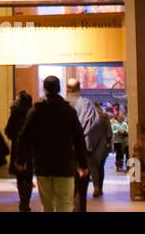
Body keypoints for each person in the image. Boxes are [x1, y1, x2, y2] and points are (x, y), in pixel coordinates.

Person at [15, 75, 88, 212]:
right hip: (65, 165)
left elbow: (23, 137)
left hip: (43, 165)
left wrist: (21, 160)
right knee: (65, 203)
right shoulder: (69, 111)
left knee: (47, 205)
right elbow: (79, 139)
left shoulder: (36, 111)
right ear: (59, 89)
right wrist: (83, 164)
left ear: (45, 89)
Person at [67, 78, 110, 208]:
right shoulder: (86, 104)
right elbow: (90, 126)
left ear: (67, 89)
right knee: (80, 188)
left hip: (64, 151)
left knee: (64, 188)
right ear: (79, 88)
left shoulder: (61, 104)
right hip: (82, 149)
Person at [5, 90, 35, 211]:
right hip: (30, 149)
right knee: (28, 176)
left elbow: (8, 131)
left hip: (17, 148)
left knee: (20, 177)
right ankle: (26, 202)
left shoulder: (15, 114)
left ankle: (22, 201)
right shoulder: (34, 113)